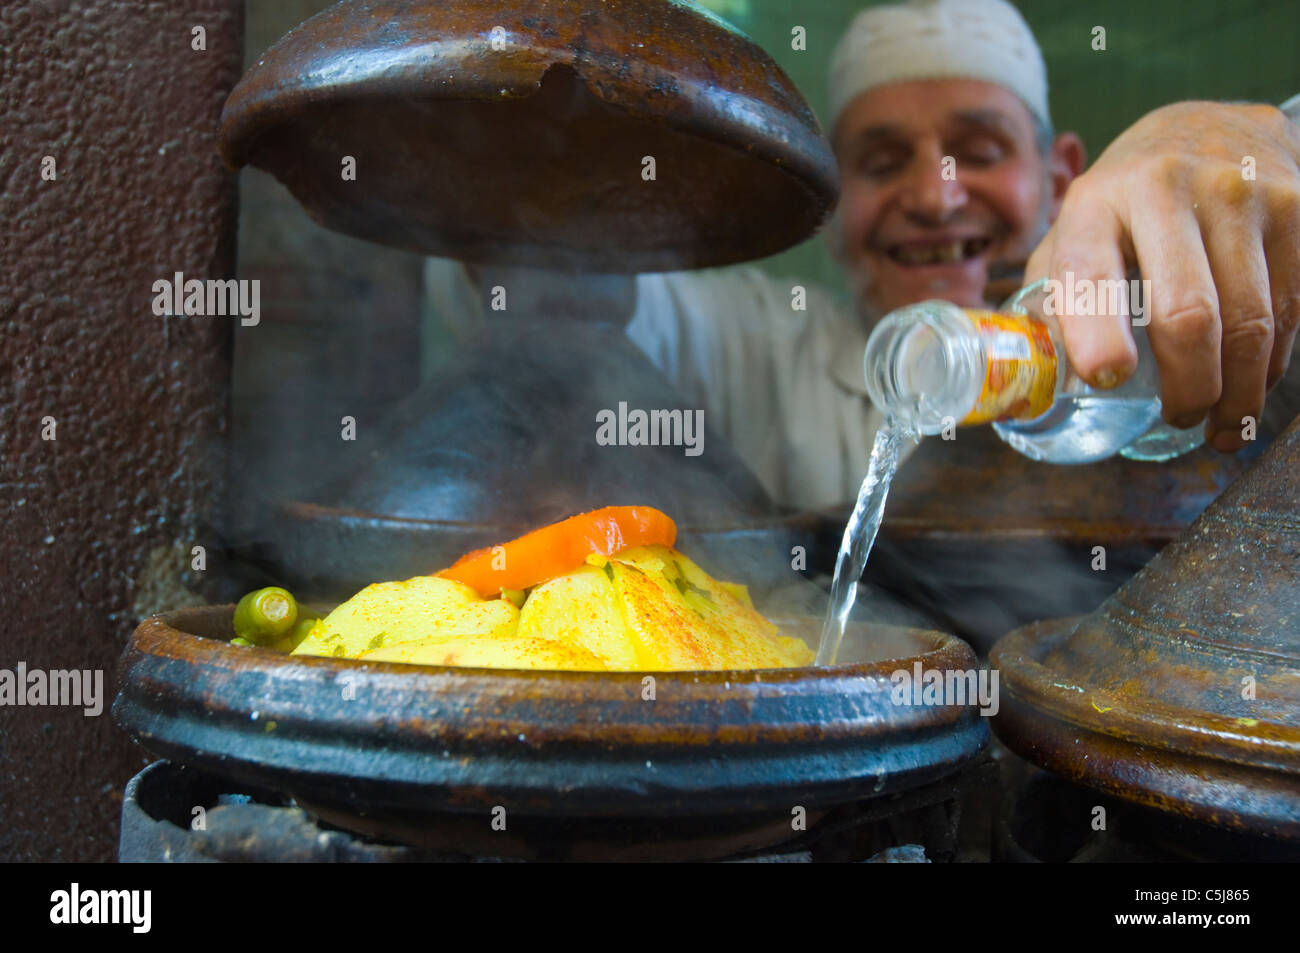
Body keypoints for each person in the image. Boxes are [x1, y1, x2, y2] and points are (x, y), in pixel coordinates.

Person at [426, 0, 1300, 510]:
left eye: (981, 149)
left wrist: (1260, 138)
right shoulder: (759, 345)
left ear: (1060, 177)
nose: (934, 193)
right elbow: (555, 303)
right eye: (881, 164)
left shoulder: (1178, 306)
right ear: (836, 207)